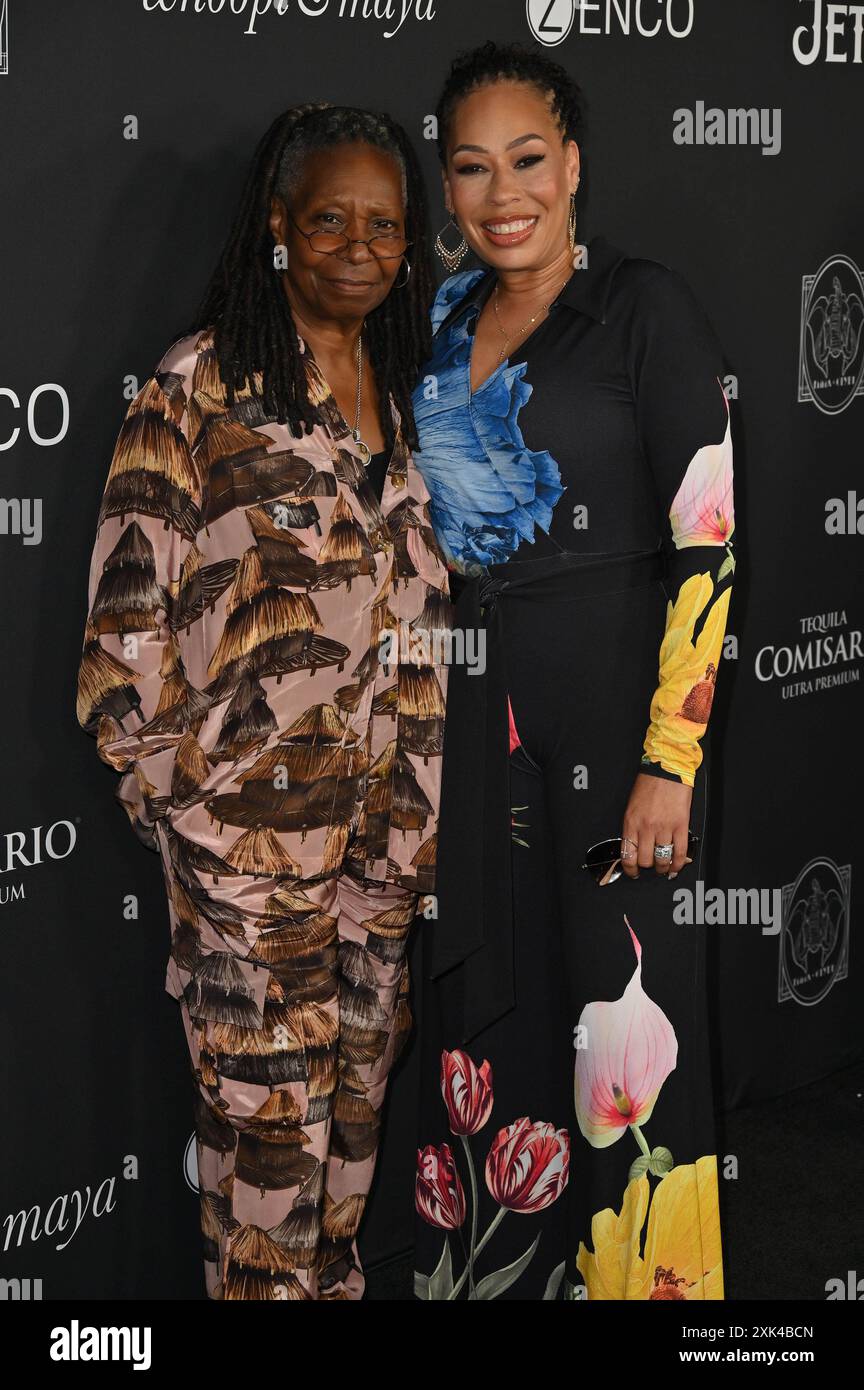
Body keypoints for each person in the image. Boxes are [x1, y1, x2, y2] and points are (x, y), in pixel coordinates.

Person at [75, 103, 451, 1301]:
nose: (358, 245)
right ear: (277, 228)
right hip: (253, 876)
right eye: (329, 218)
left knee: (343, 1170)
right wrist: (201, 818)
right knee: (264, 1183)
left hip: (381, 862)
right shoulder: (198, 387)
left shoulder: (408, 392)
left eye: (385, 225)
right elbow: (119, 645)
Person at [411, 43, 733, 1301]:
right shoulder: (431, 321)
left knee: (620, 1028)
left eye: (529, 160)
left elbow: (708, 547)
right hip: (465, 730)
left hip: (614, 728)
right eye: (474, 168)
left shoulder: (649, 308)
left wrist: (671, 762)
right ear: (446, 184)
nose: (504, 195)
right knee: (488, 1024)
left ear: (576, 163)